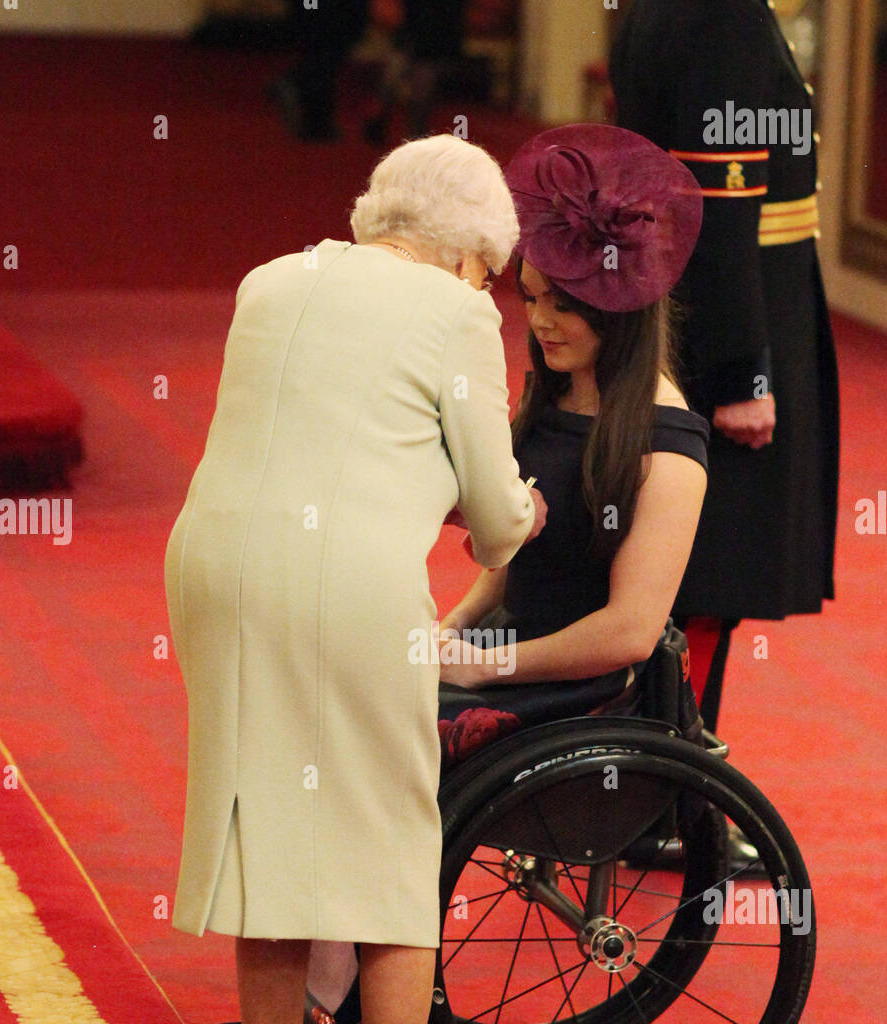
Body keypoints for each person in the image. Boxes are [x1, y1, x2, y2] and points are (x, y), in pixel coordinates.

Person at [164, 134, 541, 1024]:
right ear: (469, 254)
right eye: (490, 273)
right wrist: (522, 514)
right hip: (347, 591)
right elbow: (491, 509)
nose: (490, 292)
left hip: (215, 569)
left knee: (267, 822)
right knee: (388, 843)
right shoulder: (457, 312)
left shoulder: (271, 280)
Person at [609, 0, 839, 737]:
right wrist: (746, 374)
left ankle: (667, 783)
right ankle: (673, 791)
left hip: (691, 308)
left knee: (689, 572)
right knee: (711, 573)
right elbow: (719, 204)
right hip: (734, 315)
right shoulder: (727, 15)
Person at [437, 124, 709, 709]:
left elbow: (630, 632)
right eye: (531, 299)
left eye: (562, 306)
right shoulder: (549, 396)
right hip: (509, 655)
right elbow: (523, 560)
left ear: (618, 310)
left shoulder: (668, 445)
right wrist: (456, 625)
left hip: (587, 690)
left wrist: (486, 666)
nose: (539, 323)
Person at [363, 0, 470, 144]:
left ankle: (414, 134)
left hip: (430, 42)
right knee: (390, 85)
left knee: (419, 94)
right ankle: (381, 124)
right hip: (411, 36)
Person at [272, 0, 370, 142]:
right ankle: (317, 122)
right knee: (322, 63)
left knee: (324, 63)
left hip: (329, 14)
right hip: (322, 14)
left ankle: (316, 120)